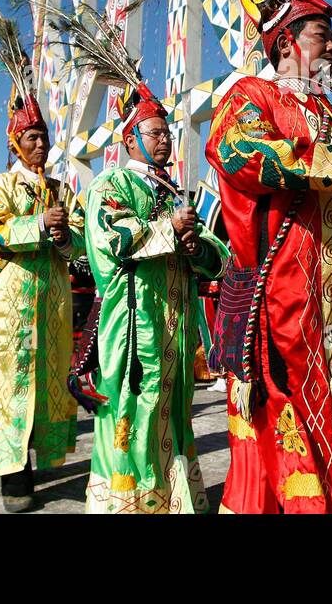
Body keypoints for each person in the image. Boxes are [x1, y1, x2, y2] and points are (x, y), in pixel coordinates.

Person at [205, 0, 332, 513]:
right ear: (286, 41)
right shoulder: (251, 96)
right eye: (322, 33)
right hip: (283, 305)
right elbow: (233, 152)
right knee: (295, 414)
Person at [74, 91, 229, 513]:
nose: (164, 141)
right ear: (130, 141)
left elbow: (214, 250)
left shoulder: (175, 190)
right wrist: (169, 228)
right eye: (154, 133)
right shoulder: (111, 183)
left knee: (173, 410)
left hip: (174, 325)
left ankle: (172, 499)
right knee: (133, 410)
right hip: (134, 322)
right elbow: (114, 238)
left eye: (168, 133)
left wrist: (198, 248)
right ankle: (129, 504)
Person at [0, 94, 84, 511]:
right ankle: (13, 478)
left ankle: (40, 459)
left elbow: (79, 238)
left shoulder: (60, 189)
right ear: (15, 143)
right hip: (11, 305)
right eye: (32, 137)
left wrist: (64, 236)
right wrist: (38, 223)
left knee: (49, 381)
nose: (41, 145)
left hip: (52, 302)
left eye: (44, 137)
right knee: (11, 384)